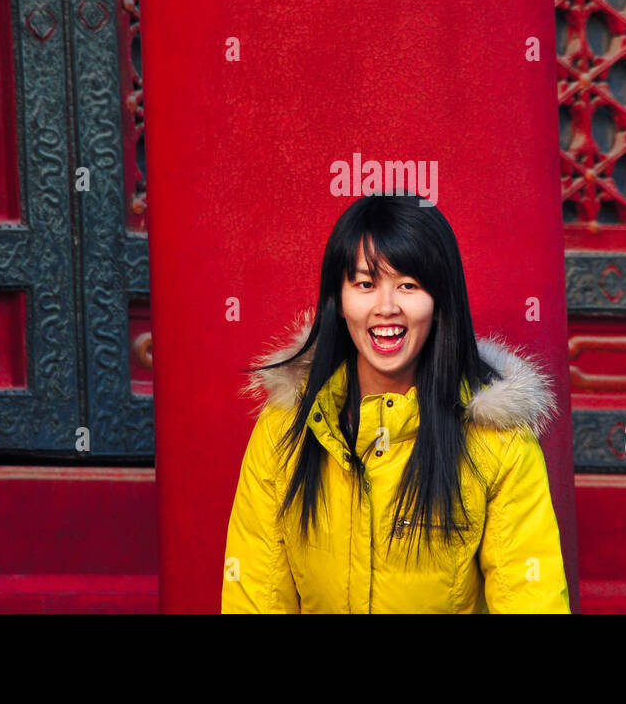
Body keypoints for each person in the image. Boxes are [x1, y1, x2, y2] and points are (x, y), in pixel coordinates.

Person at [222, 193, 570, 613]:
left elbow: (531, 599)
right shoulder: (287, 429)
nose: (386, 308)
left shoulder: (499, 443)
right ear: (339, 300)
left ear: (440, 303)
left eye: (408, 285)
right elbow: (256, 596)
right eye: (365, 284)